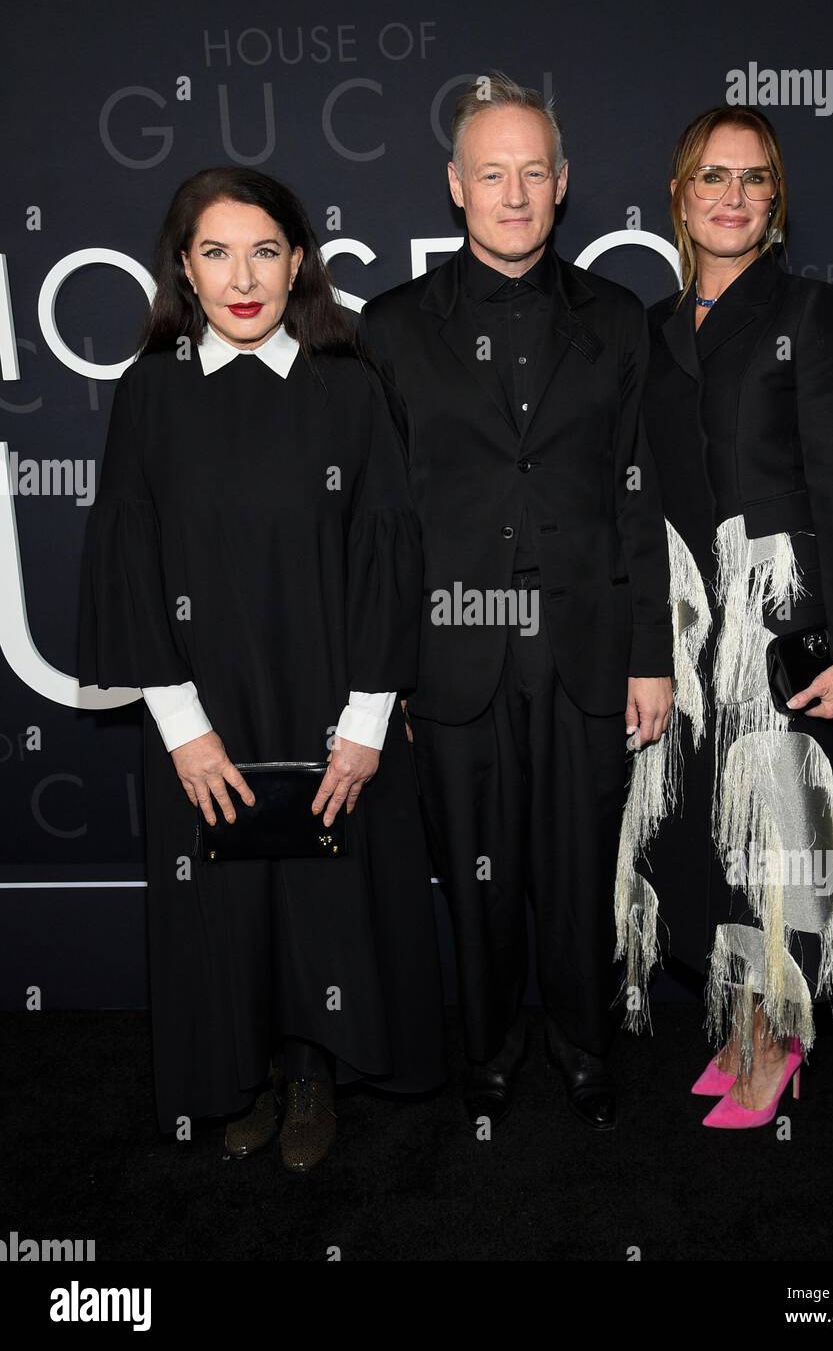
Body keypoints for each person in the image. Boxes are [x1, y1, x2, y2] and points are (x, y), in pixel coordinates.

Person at [77, 167, 445, 1171]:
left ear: (298, 264)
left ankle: (315, 1075)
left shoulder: (351, 389)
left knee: (325, 900)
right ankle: (237, 1072)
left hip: (330, 697)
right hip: (199, 707)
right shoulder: (149, 394)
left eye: (266, 251)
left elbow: (386, 556)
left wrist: (366, 725)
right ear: (184, 269)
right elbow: (129, 563)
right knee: (221, 905)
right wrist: (183, 727)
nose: (243, 278)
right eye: (216, 252)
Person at [359, 72, 673, 1132]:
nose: (513, 192)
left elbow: (639, 493)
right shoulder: (392, 329)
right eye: (490, 173)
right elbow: (383, 517)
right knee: (475, 870)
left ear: (563, 182)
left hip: (583, 643)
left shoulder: (620, 321)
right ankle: (488, 1047)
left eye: (532, 171)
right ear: (455, 186)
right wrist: (387, 667)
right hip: (454, 649)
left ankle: (583, 1045)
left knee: (581, 867)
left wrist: (651, 652)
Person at [618, 105, 833, 1127]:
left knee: (776, 825)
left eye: (753, 180)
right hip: (688, 618)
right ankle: (738, 1022)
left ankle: (773, 1038)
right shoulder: (647, 328)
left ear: (774, 202)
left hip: (780, 617)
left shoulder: (809, 312)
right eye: (711, 178)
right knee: (703, 828)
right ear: (680, 196)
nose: (732, 197)